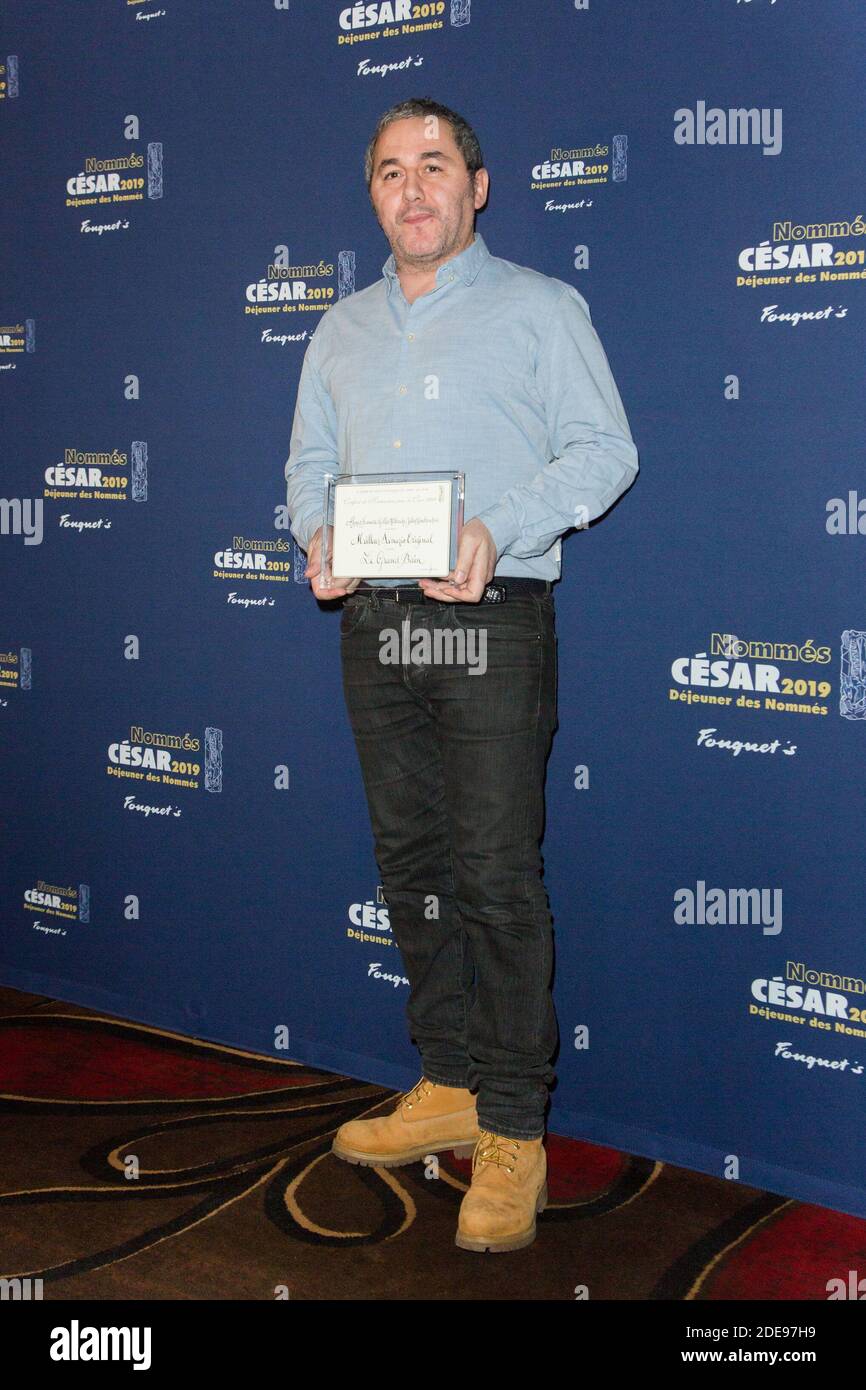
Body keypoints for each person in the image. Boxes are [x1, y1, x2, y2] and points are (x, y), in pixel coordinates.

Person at [285, 97, 639, 1253]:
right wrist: (316, 537)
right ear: (374, 195)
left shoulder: (541, 308)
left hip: (489, 626)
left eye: (433, 165)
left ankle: (513, 1130)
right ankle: (441, 1078)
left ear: (475, 187)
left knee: (491, 871)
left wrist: (499, 522)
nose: (412, 188)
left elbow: (604, 450)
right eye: (389, 170)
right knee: (413, 864)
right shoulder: (336, 330)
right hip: (377, 630)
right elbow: (308, 467)